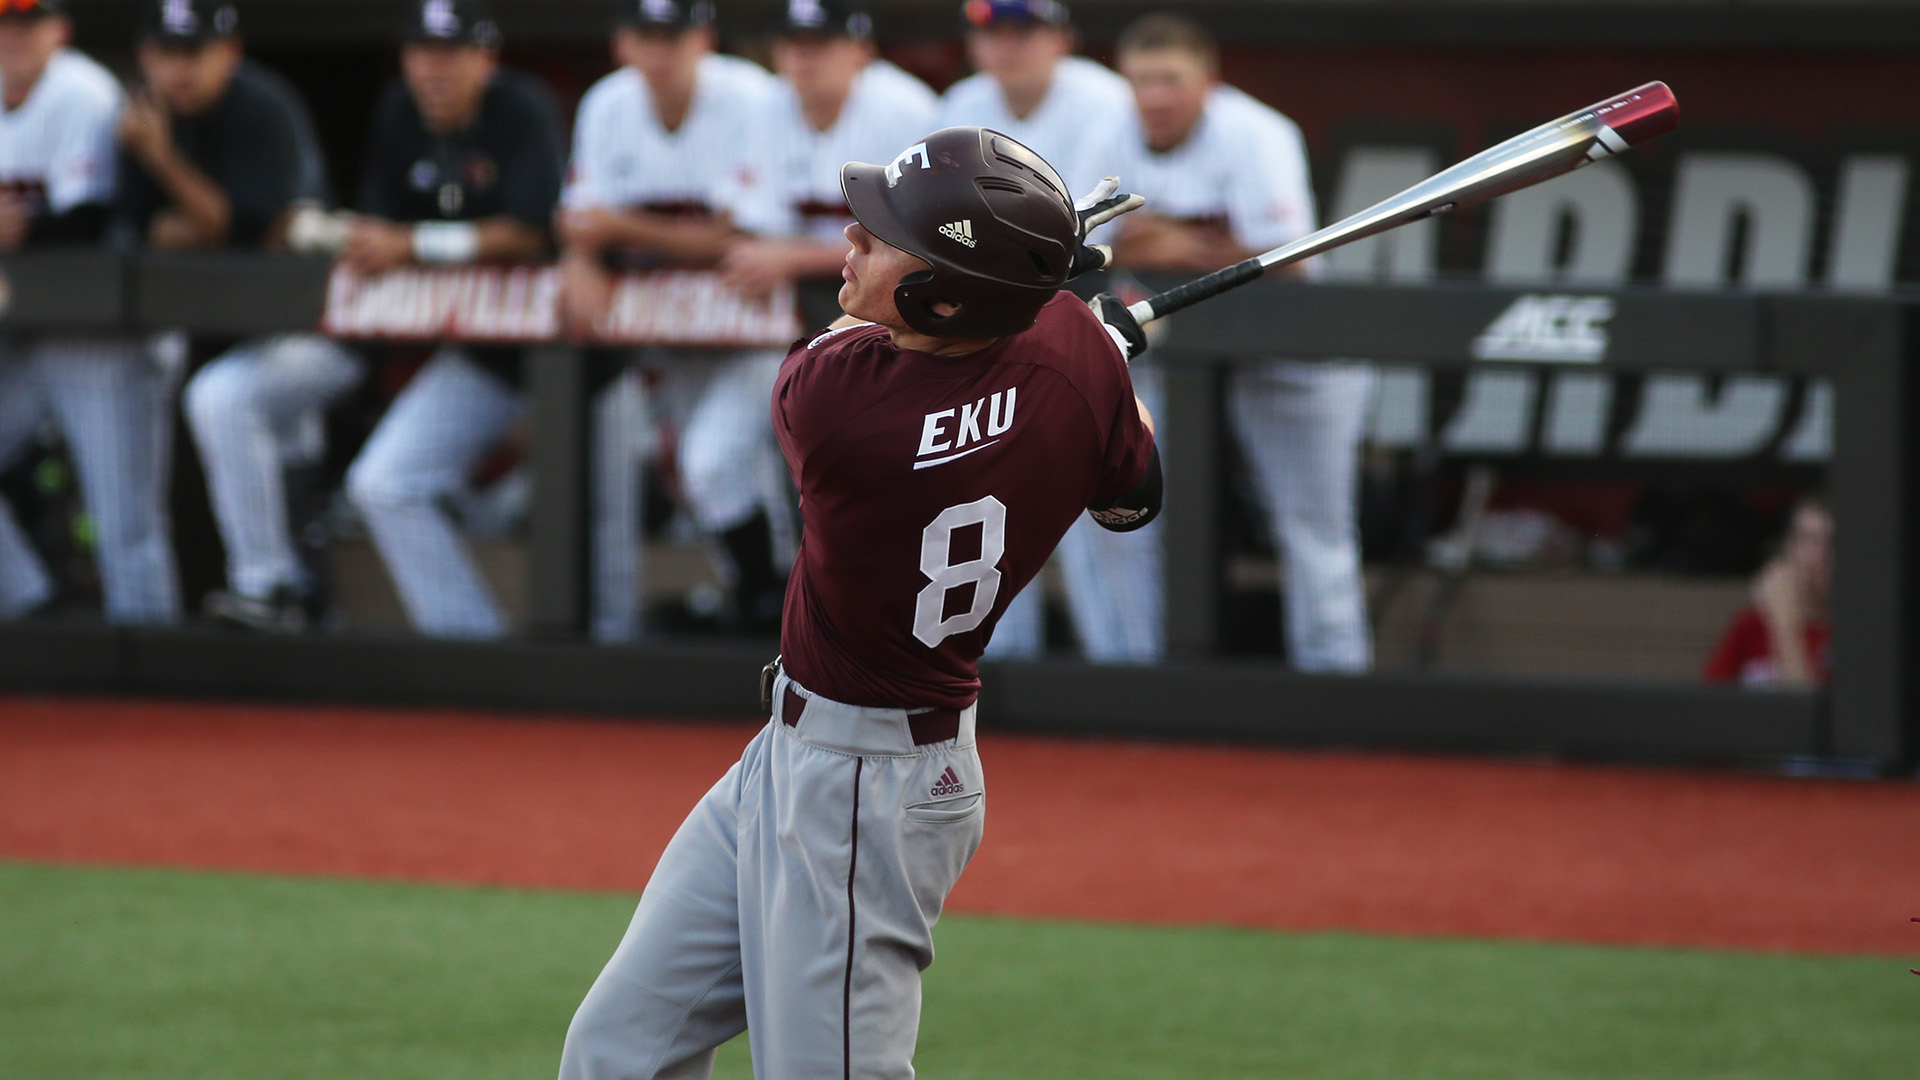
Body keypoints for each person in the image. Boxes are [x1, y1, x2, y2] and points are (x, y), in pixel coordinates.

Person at [558, 127, 1158, 1080]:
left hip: (867, 788)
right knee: (620, 1047)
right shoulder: (1078, 361)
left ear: (944, 295)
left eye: (878, 241)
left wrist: (1063, 311)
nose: (848, 243)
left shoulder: (835, 408)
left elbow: (886, 349)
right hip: (791, 756)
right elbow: (1130, 497)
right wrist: (1092, 343)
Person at [1093, 12, 1375, 671]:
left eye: (1171, 80)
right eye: (1140, 80)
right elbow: (1085, 241)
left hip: (1295, 351)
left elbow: (1290, 260)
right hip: (1182, 347)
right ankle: (1138, 681)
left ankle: (1337, 692)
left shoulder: (1257, 132)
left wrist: (1163, 241)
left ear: (1208, 82)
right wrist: (1155, 242)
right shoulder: (1110, 131)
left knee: (1312, 534)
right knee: (1125, 511)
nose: (1155, 96)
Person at [119, 0, 358, 634]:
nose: (179, 71)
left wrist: (165, 163)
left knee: (225, 400)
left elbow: (243, 225)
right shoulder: (142, 114)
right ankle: (300, 598)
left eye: (192, 54)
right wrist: (203, 222)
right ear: (146, 56)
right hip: (235, 332)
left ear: (229, 51)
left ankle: (267, 585)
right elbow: (143, 232)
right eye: (166, 54)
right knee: (276, 444)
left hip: (324, 324)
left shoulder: (262, 107)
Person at [557, 0, 791, 640]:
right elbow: (580, 220)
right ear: (622, 43)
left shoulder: (752, 96)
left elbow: (738, 235)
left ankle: (777, 610)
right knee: (708, 474)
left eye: (675, 35)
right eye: (647, 36)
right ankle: (760, 610)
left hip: (761, 324)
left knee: (716, 462)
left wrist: (621, 229)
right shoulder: (608, 102)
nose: (661, 51)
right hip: (680, 329)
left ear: (704, 39)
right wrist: (581, 255)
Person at [340, 0, 567, 639]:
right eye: (421, 53)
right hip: (487, 355)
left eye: (450, 53)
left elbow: (530, 231)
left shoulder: (519, 106)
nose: (433, 69)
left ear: (484, 57)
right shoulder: (396, 110)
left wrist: (418, 245)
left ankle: (612, 695)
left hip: (579, 359)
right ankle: (471, 641)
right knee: (383, 483)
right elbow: (378, 228)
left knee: (595, 522)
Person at [934, 0, 1137, 659]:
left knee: (1104, 516)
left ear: (1061, 38)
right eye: (993, 31)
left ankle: (1130, 671)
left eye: (1024, 31)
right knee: (987, 503)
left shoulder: (1107, 101)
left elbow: (1098, 229)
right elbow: (939, 225)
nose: (1007, 47)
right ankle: (994, 672)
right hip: (993, 327)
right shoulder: (959, 104)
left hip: (1098, 325)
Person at [0, 0, 183, 625]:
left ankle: (154, 673)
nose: (14, 37)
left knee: (123, 523)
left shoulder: (83, 92)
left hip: (102, 337)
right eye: (3, 23)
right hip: (21, 332)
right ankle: (32, 609)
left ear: (60, 30)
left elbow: (96, 217)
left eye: (28, 23)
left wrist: (27, 230)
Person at [719, 0, 938, 297]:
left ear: (861, 50)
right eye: (793, 44)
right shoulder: (764, 108)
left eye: (821, 44)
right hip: (791, 287)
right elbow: (751, 228)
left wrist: (795, 258)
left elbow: (919, 241)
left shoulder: (906, 109)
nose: (805, 59)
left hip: (891, 290)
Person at [1704, 496, 1831, 687]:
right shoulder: (1750, 625)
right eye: (1805, 539)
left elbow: (1805, 711)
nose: (1815, 556)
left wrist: (1784, 621)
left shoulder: (1852, 634)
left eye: (1829, 543)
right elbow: (1709, 703)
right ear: (1789, 547)